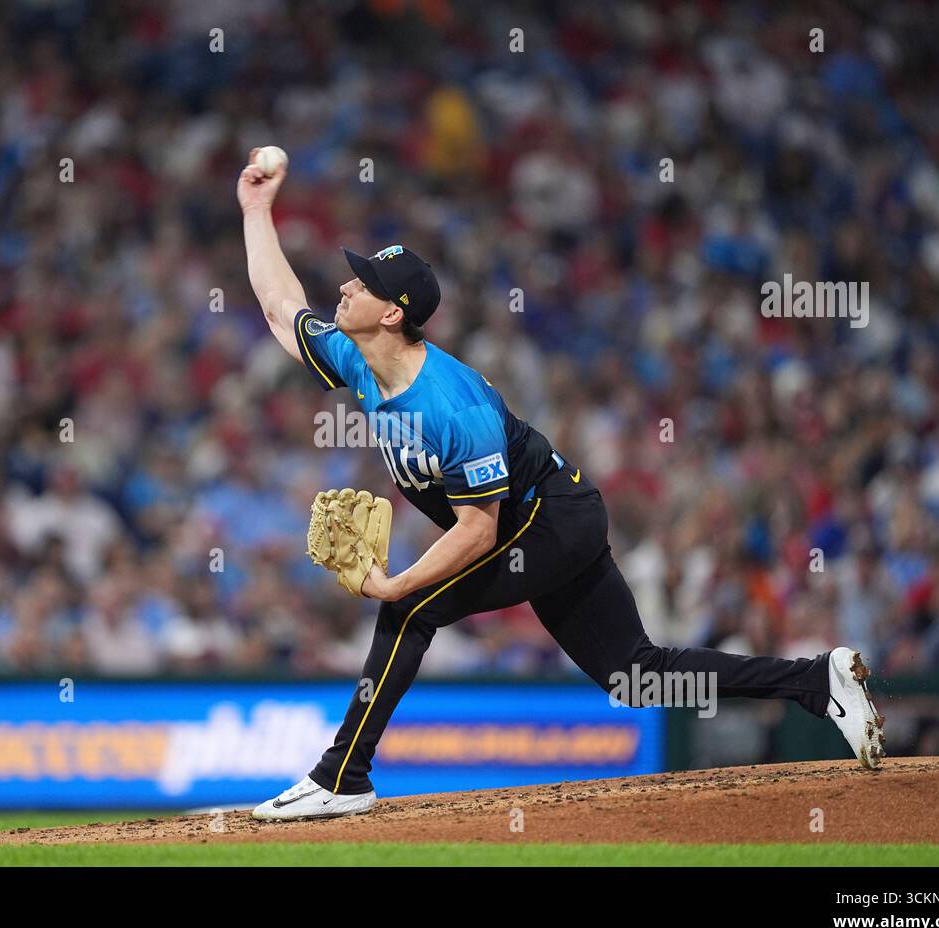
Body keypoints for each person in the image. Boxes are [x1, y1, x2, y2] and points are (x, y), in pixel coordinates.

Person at [236, 149, 886, 821]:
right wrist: (257, 209)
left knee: (411, 611)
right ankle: (816, 681)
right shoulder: (358, 358)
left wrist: (395, 583)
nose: (344, 288)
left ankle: (342, 775)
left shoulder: (451, 405)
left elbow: (479, 530)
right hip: (540, 520)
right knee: (635, 674)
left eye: (362, 284)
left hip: (549, 521)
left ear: (394, 314)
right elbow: (284, 311)